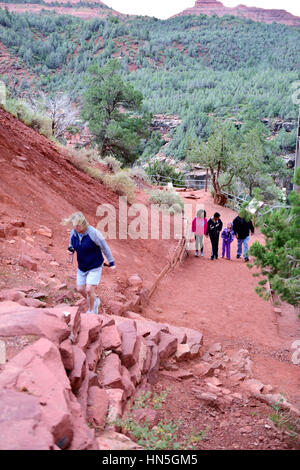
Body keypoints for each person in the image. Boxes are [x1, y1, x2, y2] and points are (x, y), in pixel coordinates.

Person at [63, 212, 115, 314]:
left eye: (77, 226)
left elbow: (105, 247)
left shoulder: (94, 233)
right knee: (80, 289)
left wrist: (111, 262)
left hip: (95, 265)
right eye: (74, 226)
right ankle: (94, 300)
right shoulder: (74, 232)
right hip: (82, 266)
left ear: (83, 224)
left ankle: (92, 310)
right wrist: (71, 250)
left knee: (89, 289)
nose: (75, 228)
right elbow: (71, 244)